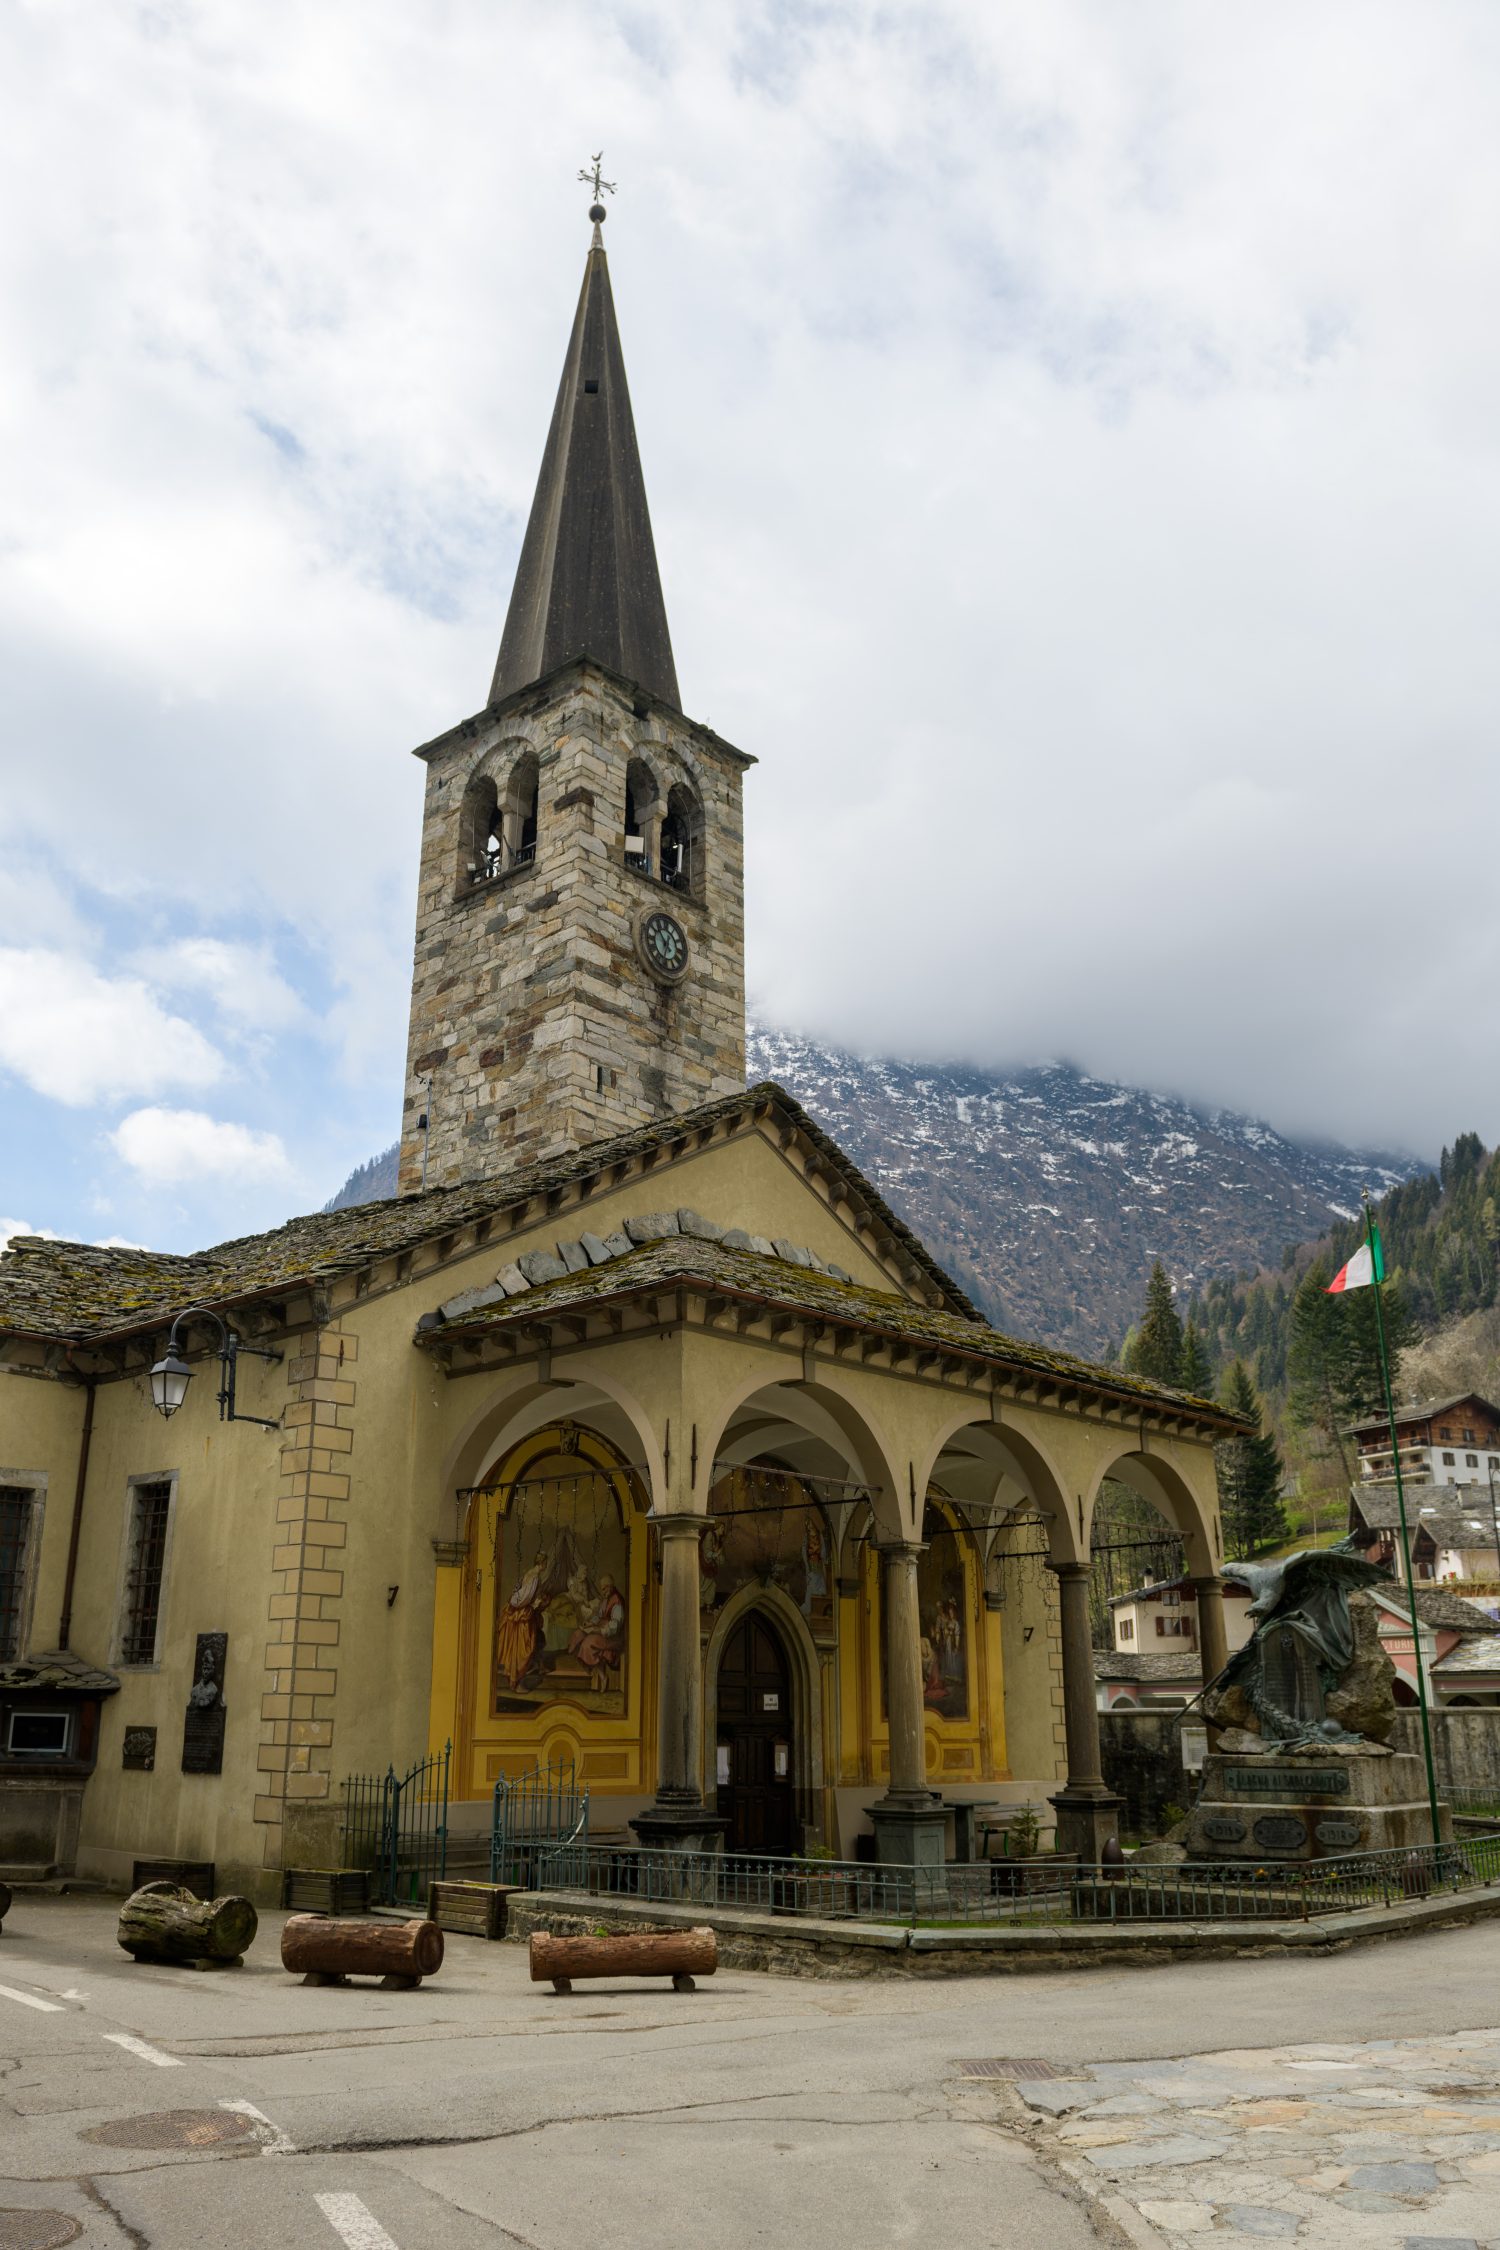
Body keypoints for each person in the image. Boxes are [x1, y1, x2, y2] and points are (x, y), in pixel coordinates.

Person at [496, 1546, 553, 1689]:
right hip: (523, 1614)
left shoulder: (530, 1573)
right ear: (542, 1563)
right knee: (524, 1647)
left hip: (523, 1612)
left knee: (533, 1641)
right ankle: (518, 1677)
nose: (546, 1565)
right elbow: (523, 1598)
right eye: (546, 1563)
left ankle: (525, 1673)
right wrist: (535, 1604)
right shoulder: (534, 1577)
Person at [569, 1574, 626, 1692]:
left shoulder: (617, 1602)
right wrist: (590, 1623)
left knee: (588, 1643)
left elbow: (615, 1626)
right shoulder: (606, 1599)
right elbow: (599, 1616)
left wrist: (599, 1630)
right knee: (577, 1635)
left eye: (604, 1588)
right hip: (600, 1630)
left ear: (610, 1586)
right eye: (602, 1589)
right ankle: (592, 1670)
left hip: (613, 1637)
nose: (602, 1591)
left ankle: (603, 1677)